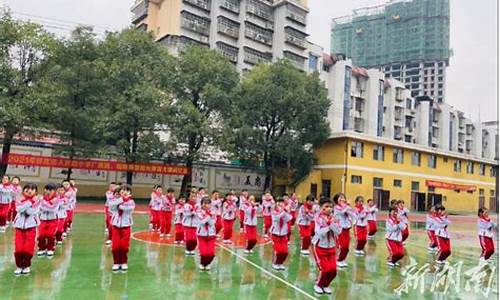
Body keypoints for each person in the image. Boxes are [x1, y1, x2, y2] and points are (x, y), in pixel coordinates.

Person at [311, 196, 341, 295]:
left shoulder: (334, 218)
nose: (329, 208)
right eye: (326, 206)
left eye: (330, 206)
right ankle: (318, 285)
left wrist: (330, 223)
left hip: (331, 247)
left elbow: (338, 231)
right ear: (321, 208)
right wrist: (329, 225)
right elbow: (319, 233)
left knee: (333, 270)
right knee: (325, 269)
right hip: (319, 247)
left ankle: (326, 285)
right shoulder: (318, 218)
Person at [13, 183, 40, 275]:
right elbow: (18, 209)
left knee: (28, 247)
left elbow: (31, 211)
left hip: (31, 227)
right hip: (19, 226)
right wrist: (29, 203)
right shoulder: (19, 199)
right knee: (18, 247)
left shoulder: (38, 201)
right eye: (27, 189)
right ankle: (19, 266)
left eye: (32, 189)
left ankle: (27, 265)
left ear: (35, 192)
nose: (29, 191)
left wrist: (25, 205)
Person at [108, 184, 135, 271]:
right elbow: (111, 206)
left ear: (130, 193)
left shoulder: (131, 202)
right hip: (116, 225)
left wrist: (121, 204)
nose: (125, 192)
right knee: (115, 246)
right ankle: (116, 262)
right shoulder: (116, 200)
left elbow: (128, 209)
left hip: (126, 226)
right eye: (122, 191)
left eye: (127, 191)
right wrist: (121, 199)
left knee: (124, 246)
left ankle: (124, 262)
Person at [333, 193, 356, 268]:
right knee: (342, 246)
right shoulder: (336, 207)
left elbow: (352, 214)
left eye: (343, 197)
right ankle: (338, 260)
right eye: (340, 198)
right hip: (340, 229)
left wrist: (354, 220)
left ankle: (342, 259)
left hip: (347, 229)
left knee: (346, 247)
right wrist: (347, 205)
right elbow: (342, 211)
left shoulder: (346, 207)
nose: (342, 199)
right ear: (337, 200)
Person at [37, 183, 60, 257]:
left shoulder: (57, 199)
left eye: (51, 190)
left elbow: (53, 209)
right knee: (41, 235)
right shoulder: (40, 198)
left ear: (55, 191)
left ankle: (50, 248)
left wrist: (44, 205)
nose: (48, 191)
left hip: (53, 220)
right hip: (42, 219)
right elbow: (38, 208)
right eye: (46, 189)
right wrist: (46, 205)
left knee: (50, 235)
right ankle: (41, 248)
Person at [270, 197, 292, 271]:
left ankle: (281, 263)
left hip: (283, 234)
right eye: (278, 202)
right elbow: (277, 218)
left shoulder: (285, 212)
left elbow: (289, 218)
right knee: (278, 251)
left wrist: (285, 211)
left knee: (285, 251)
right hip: (275, 234)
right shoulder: (274, 211)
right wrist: (283, 211)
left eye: (282, 203)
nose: (280, 204)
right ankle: (275, 263)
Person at [196, 197, 217, 270]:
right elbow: (202, 222)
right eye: (204, 203)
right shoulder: (199, 212)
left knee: (211, 253)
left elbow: (212, 223)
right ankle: (202, 263)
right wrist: (208, 216)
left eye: (208, 203)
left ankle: (207, 263)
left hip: (211, 235)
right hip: (201, 235)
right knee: (204, 253)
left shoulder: (213, 212)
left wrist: (207, 217)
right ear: (201, 204)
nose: (206, 205)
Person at [182, 189, 199, 255]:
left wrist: (196, 213)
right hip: (187, 224)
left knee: (194, 239)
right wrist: (191, 213)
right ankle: (188, 249)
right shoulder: (186, 205)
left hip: (195, 224)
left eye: (195, 197)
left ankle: (192, 249)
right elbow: (185, 214)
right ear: (189, 197)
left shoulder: (198, 205)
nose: (193, 198)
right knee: (189, 238)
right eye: (192, 197)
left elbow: (200, 214)